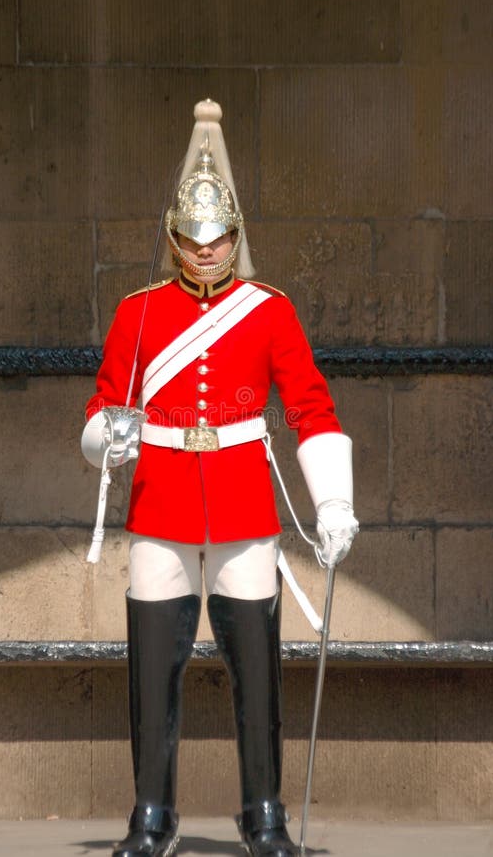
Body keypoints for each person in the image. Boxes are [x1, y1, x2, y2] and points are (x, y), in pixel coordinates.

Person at [81, 99, 358, 857]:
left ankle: (262, 812)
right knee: (150, 673)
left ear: (236, 239)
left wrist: (332, 500)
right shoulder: (137, 313)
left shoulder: (268, 312)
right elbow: (106, 402)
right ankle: (151, 813)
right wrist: (107, 437)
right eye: (195, 241)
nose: (207, 253)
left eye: (221, 240)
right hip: (160, 502)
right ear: (174, 241)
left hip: (242, 505)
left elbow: (308, 404)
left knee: (258, 674)